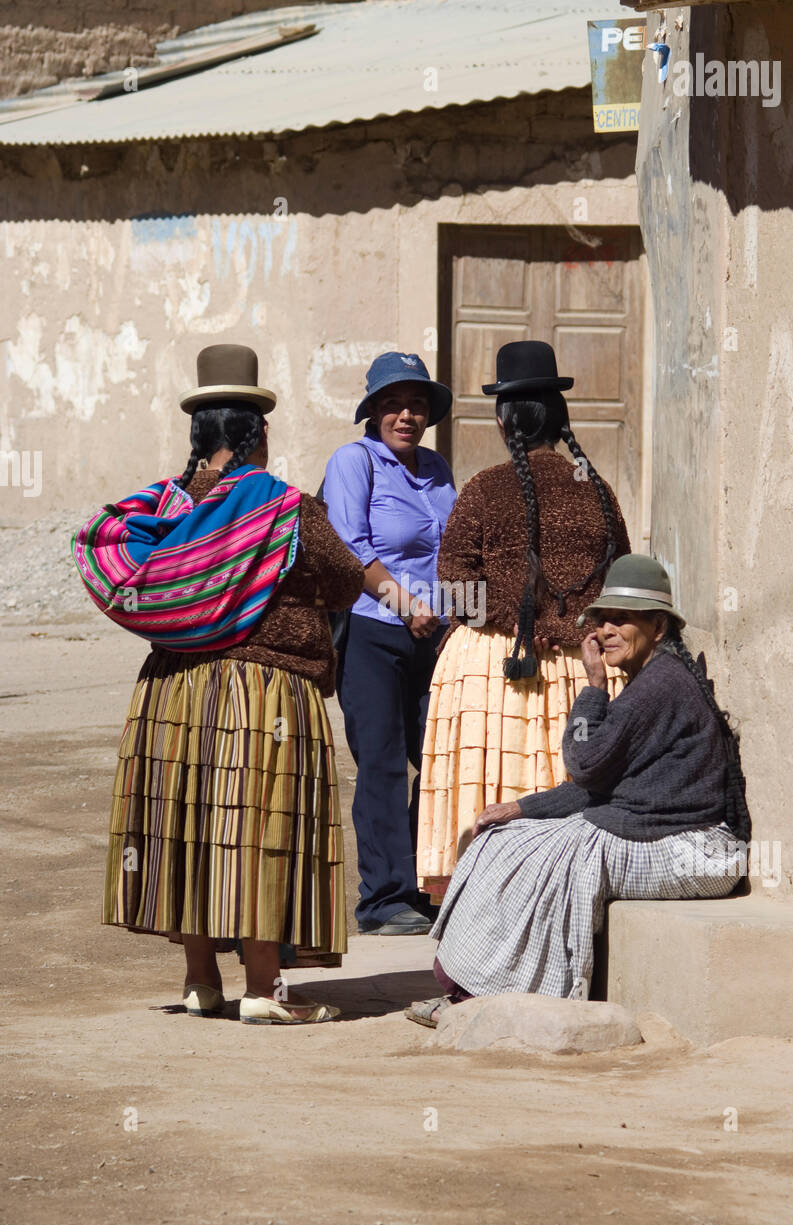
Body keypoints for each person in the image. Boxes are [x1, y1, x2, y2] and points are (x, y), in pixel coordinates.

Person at [73, 344, 365, 1025]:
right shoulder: (280, 504)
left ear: (197, 435)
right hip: (262, 692)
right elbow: (346, 579)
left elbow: (113, 559)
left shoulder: (161, 509)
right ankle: (262, 989)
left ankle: (200, 980)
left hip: (171, 691)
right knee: (257, 826)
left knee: (190, 829)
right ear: (260, 433)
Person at [405, 555, 751, 1026]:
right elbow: (598, 785)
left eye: (623, 620)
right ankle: (470, 990)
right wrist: (519, 808)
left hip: (698, 850)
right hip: (650, 832)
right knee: (501, 838)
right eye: (603, 619)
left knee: (560, 854)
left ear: (658, 627)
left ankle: (516, 998)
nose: (608, 630)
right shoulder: (647, 680)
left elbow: (584, 764)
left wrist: (592, 688)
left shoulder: (658, 685)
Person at [416, 340, 631, 906]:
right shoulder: (597, 491)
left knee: (493, 789)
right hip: (579, 673)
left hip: (495, 670)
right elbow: (619, 579)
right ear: (559, 416)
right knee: (561, 788)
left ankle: (479, 923)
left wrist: (516, 616)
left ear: (503, 417)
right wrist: (568, 623)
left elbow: (454, 585)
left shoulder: (486, 488)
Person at [323, 352, 457, 934]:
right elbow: (347, 546)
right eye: (394, 404)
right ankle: (383, 901)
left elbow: (449, 548)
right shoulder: (353, 463)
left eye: (417, 405)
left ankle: (427, 889)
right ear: (373, 410)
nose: (406, 414)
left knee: (436, 758)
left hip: (438, 635)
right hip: (374, 631)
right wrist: (405, 606)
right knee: (380, 764)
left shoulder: (437, 468)